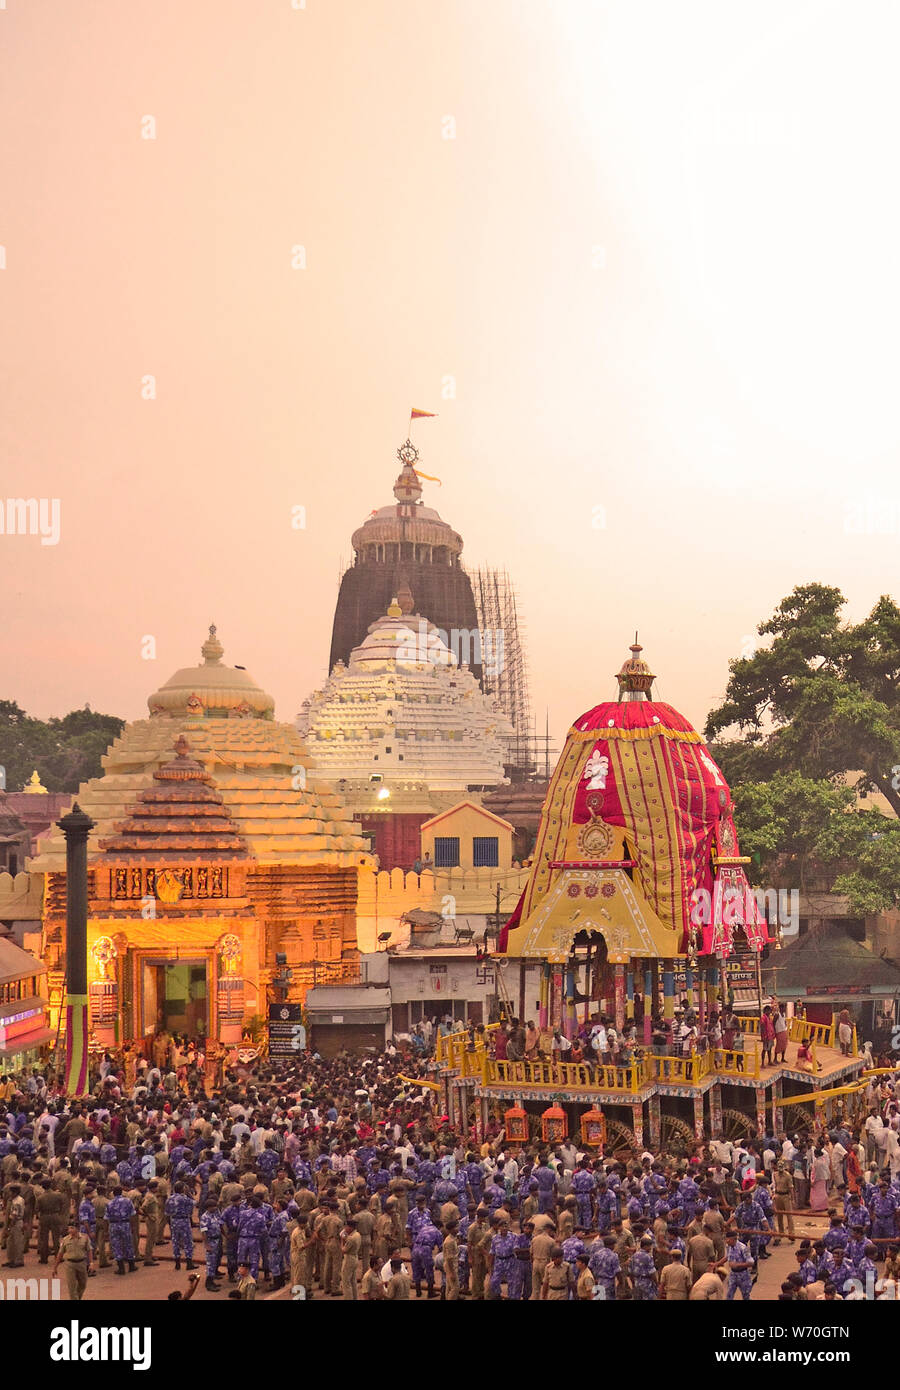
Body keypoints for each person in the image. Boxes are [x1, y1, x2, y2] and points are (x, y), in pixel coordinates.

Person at [53, 1220, 92, 1301]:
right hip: (70, 1265)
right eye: (69, 1228)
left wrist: (91, 1263)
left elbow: (89, 1250)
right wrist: (55, 1267)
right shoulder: (65, 1240)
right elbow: (60, 1254)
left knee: (83, 1285)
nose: (70, 1230)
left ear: (77, 1229)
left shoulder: (85, 1238)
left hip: (81, 1264)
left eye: (72, 1228)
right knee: (72, 1287)